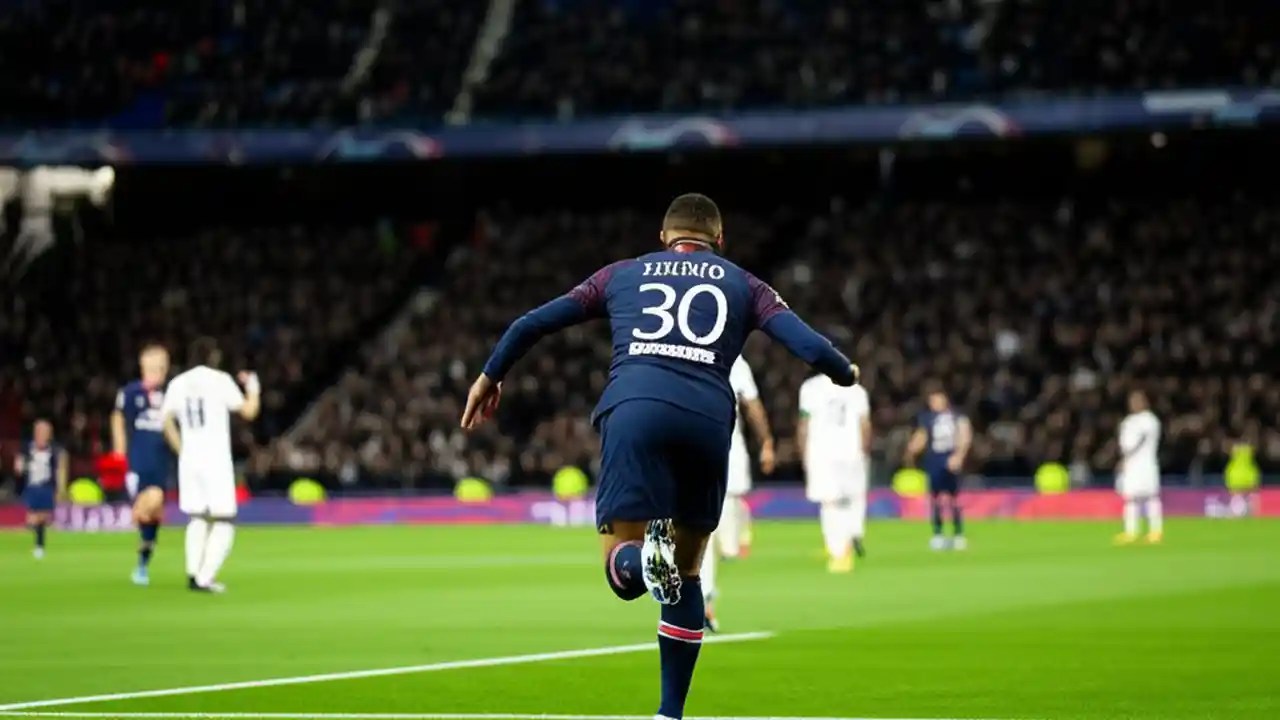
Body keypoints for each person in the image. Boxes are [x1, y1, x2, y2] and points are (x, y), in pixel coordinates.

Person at [462, 193, 858, 720]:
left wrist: (490, 375)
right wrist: (845, 374)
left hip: (635, 410)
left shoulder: (619, 275)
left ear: (663, 237)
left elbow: (530, 323)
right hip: (708, 421)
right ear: (720, 241)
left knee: (620, 567)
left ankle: (641, 565)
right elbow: (810, 347)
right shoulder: (746, 284)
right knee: (689, 574)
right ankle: (669, 712)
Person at [160, 338, 260, 593]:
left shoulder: (177, 383)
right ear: (212, 357)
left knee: (197, 517)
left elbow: (166, 421)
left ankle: (193, 574)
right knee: (224, 520)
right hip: (215, 459)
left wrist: (181, 449)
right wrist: (253, 388)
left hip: (190, 460)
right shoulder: (220, 380)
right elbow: (248, 412)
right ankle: (206, 578)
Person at [700, 354, 774, 631]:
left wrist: (766, 441)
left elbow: (751, 405)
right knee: (702, 532)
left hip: (723, 453)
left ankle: (739, 528)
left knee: (719, 541)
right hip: (701, 454)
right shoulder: (732, 357)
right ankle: (704, 601)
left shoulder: (735, 360)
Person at [798, 372, 872, 572]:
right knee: (852, 499)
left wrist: (803, 451)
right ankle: (854, 532)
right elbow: (865, 424)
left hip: (822, 453)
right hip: (851, 451)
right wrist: (864, 452)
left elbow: (804, 423)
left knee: (830, 503)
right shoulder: (857, 389)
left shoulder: (811, 387)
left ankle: (839, 551)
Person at [112, 343, 172, 585]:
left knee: (153, 519)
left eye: (163, 366)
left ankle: (142, 566)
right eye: (156, 365)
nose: (160, 370)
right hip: (138, 461)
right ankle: (134, 512)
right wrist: (119, 452)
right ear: (144, 366)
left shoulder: (169, 395)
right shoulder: (130, 392)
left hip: (162, 462)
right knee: (153, 498)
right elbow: (117, 419)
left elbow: (172, 430)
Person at [906, 384, 971, 551]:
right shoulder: (927, 418)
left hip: (950, 456)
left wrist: (959, 456)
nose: (935, 403)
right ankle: (938, 534)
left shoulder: (956, 416)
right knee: (935, 498)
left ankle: (958, 534)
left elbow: (965, 435)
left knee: (954, 497)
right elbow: (922, 436)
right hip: (934, 458)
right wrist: (911, 450)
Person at [1115, 390, 1163, 544]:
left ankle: (1155, 531)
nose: (1134, 404)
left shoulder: (1150, 420)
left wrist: (1128, 453)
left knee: (1151, 497)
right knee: (1130, 499)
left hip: (1147, 464)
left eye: (1138, 400)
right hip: (1132, 466)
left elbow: (1136, 442)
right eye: (1132, 401)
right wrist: (1124, 460)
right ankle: (1131, 532)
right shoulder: (1128, 421)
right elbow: (1124, 444)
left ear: (1145, 402)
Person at [15, 419, 67, 559]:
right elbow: (19, 466)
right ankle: (36, 545)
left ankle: (39, 547)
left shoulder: (53, 450)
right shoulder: (27, 448)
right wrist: (20, 467)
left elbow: (58, 469)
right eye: (39, 431)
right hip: (32, 486)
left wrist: (60, 488)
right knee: (33, 517)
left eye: (45, 431)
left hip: (46, 487)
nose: (42, 434)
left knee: (41, 518)